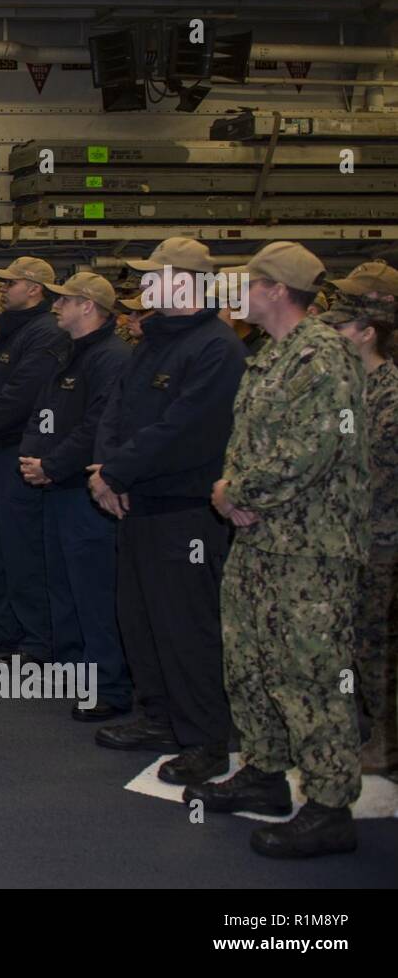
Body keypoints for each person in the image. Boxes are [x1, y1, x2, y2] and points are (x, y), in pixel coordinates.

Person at [196, 241, 369, 858]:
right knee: (250, 661)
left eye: (248, 282)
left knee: (312, 675)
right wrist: (236, 496)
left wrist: (235, 491)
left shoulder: (322, 356)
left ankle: (329, 806)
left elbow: (313, 449)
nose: (238, 292)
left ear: (274, 289)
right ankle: (265, 772)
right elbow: (255, 443)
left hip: (308, 550)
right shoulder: (271, 354)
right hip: (262, 535)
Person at [90, 237, 246, 785]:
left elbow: (186, 429)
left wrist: (116, 472)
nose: (144, 286)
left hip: (185, 509)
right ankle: (158, 716)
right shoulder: (152, 344)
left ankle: (207, 738)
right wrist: (106, 470)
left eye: (153, 276)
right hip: (139, 503)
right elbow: (116, 410)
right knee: (141, 618)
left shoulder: (216, 348)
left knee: (187, 627)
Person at [18, 272, 132, 717]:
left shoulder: (111, 358)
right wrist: (33, 455)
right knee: (61, 581)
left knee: (94, 590)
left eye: (65, 300)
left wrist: (52, 464)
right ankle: (72, 667)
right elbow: (43, 412)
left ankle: (109, 685)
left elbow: (97, 426)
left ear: (88, 306)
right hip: (57, 485)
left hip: (84, 489)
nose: (56, 306)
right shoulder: (68, 353)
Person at [0, 257, 67, 660]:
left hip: (22, 448)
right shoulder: (10, 331)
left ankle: (36, 638)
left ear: (35, 289)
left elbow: (25, 392)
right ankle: (6, 627)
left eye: (11, 283)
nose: (3, 288)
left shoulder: (46, 333)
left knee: (23, 550)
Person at [321, 262, 398, 775]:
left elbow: (364, 468)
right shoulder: (349, 387)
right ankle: (369, 729)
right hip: (349, 536)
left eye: (344, 327)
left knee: (375, 646)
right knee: (353, 641)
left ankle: (386, 743)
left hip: (380, 539)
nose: (335, 336)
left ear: (369, 331)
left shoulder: (388, 392)